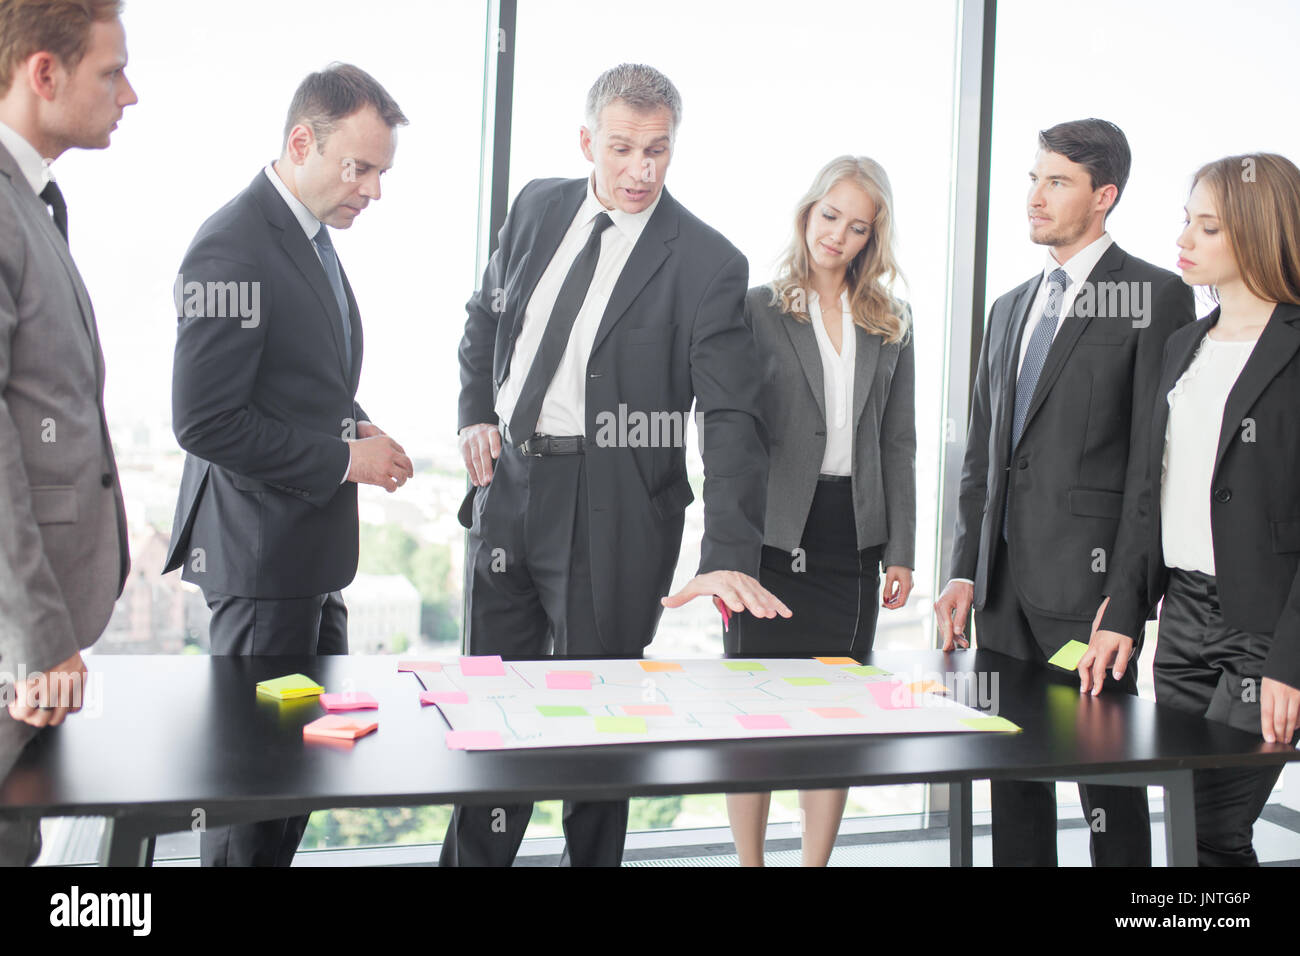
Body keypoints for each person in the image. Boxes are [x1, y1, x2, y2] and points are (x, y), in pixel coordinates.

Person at [450, 62, 789, 867]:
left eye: (659, 151)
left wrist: (729, 553)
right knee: (491, 712)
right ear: (587, 143)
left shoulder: (708, 262)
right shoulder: (536, 205)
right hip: (510, 488)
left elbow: (734, 418)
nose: (642, 170)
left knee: (598, 724)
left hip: (615, 508)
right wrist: (474, 412)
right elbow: (484, 317)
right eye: (624, 149)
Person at [163, 63, 413, 866]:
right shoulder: (233, 244)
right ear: (302, 141)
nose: (374, 191)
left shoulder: (306, 237)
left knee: (293, 783)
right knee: (254, 795)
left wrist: (358, 425)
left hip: (304, 567)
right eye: (360, 167)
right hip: (261, 568)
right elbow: (205, 421)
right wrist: (347, 459)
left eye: (381, 171)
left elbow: (294, 384)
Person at [934, 118, 1195, 866]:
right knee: (1011, 778)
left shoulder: (1156, 295)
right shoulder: (1009, 307)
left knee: (1106, 785)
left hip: (1090, 596)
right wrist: (964, 571)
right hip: (1001, 593)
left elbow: (1154, 470)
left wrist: (1127, 597)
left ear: (1104, 196)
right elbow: (982, 456)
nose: (1035, 198)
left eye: (1057, 182)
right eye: (1033, 178)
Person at [1087, 152, 1300, 866]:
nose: (1185, 238)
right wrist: (1123, 610)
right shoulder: (1185, 345)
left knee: (1214, 828)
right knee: (1185, 821)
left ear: (1259, 233)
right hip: (1181, 623)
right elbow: (1151, 493)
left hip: (1266, 629)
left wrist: (1291, 661)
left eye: (1208, 227)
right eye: (1187, 221)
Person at [725, 156, 915, 866]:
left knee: (835, 714)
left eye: (856, 225)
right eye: (829, 215)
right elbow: (731, 430)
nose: (837, 234)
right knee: (752, 716)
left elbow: (900, 441)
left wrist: (902, 547)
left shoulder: (891, 321)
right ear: (807, 212)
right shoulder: (757, 308)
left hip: (853, 535)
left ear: (872, 238)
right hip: (771, 536)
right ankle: (750, 863)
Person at [0, 0, 134, 867]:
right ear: (44, 74)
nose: (131, 94)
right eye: (110, 71)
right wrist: (39, 638)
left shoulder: (33, 200)